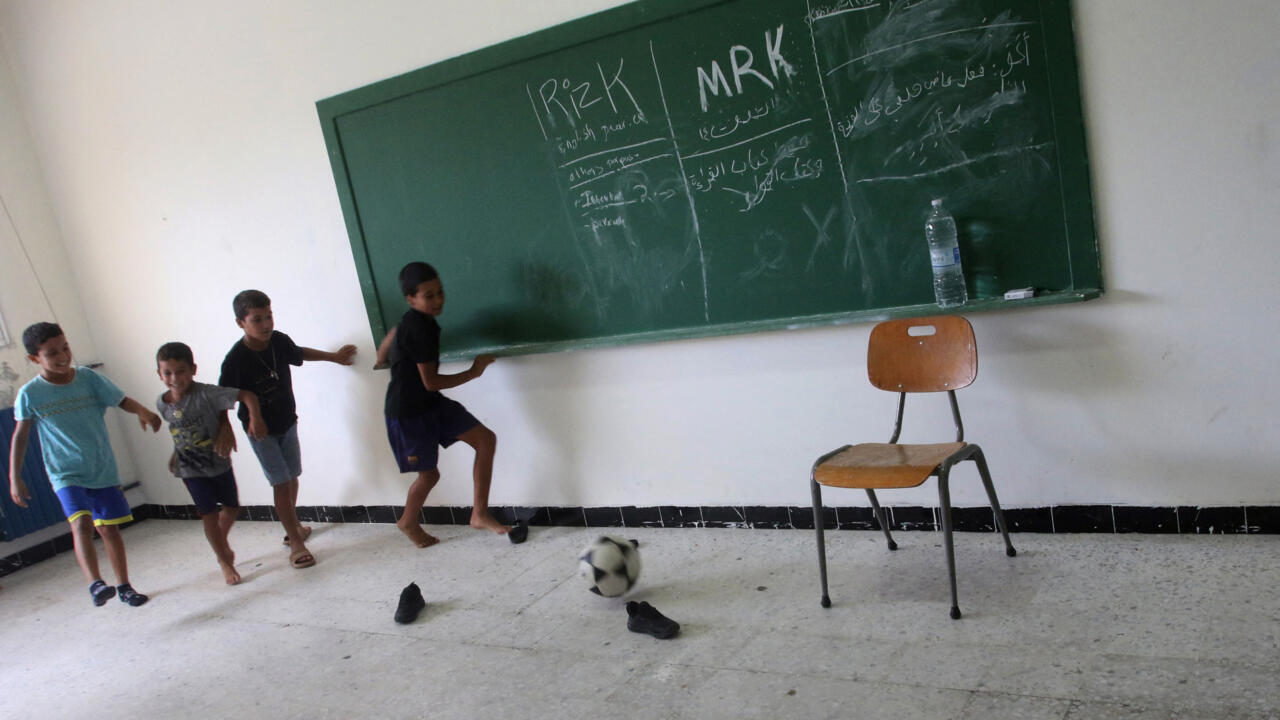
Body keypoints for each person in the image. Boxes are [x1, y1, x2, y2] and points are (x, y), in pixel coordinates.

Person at [8, 322, 160, 607]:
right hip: (65, 473)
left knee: (110, 529)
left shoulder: (89, 379)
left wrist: (144, 411)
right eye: (52, 353)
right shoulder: (30, 394)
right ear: (34, 359)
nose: (63, 356)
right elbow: (21, 436)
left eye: (65, 347)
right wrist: (14, 477)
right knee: (81, 524)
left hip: (101, 468)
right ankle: (96, 583)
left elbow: (121, 400)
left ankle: (125, 586)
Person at [218, 290, 356, 569]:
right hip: (260, 431)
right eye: (257, 320)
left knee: (292, 477)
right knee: (280, 482)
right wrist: (226, 428)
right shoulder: (236, 359)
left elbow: (299, 353)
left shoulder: (278, 341)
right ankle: (295, 542)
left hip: (287, 421)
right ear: (240, 323)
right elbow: (223, 397)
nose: (267, 324)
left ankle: (292, 527)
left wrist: (334, 357)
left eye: (269, 316)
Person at [376, 261, 509, 548]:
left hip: (430, 404)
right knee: (430, 474)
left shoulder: (416, 320)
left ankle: (479, 513)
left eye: (440, 292)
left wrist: (382, 352)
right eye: (429, 296)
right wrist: (474, 371)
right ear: (411, 299)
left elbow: (395, 331)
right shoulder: (419, 330)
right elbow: (431, 382)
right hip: (408, 413)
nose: (438, 300)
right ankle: (408, 521)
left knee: (485, 440)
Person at [156, 341, 267, 585]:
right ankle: (224, 560)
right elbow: (178, 432)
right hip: (190, 470)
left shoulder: (207, 393)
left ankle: (221, 541)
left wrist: (255, 419)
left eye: (181, 371)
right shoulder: (162, 403)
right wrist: (176, 455)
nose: (175, 378)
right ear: (159, 374)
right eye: (168, 372)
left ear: (193, 369)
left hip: (219, 464)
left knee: (231, 508)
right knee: (208, 515)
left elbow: (246, 395)